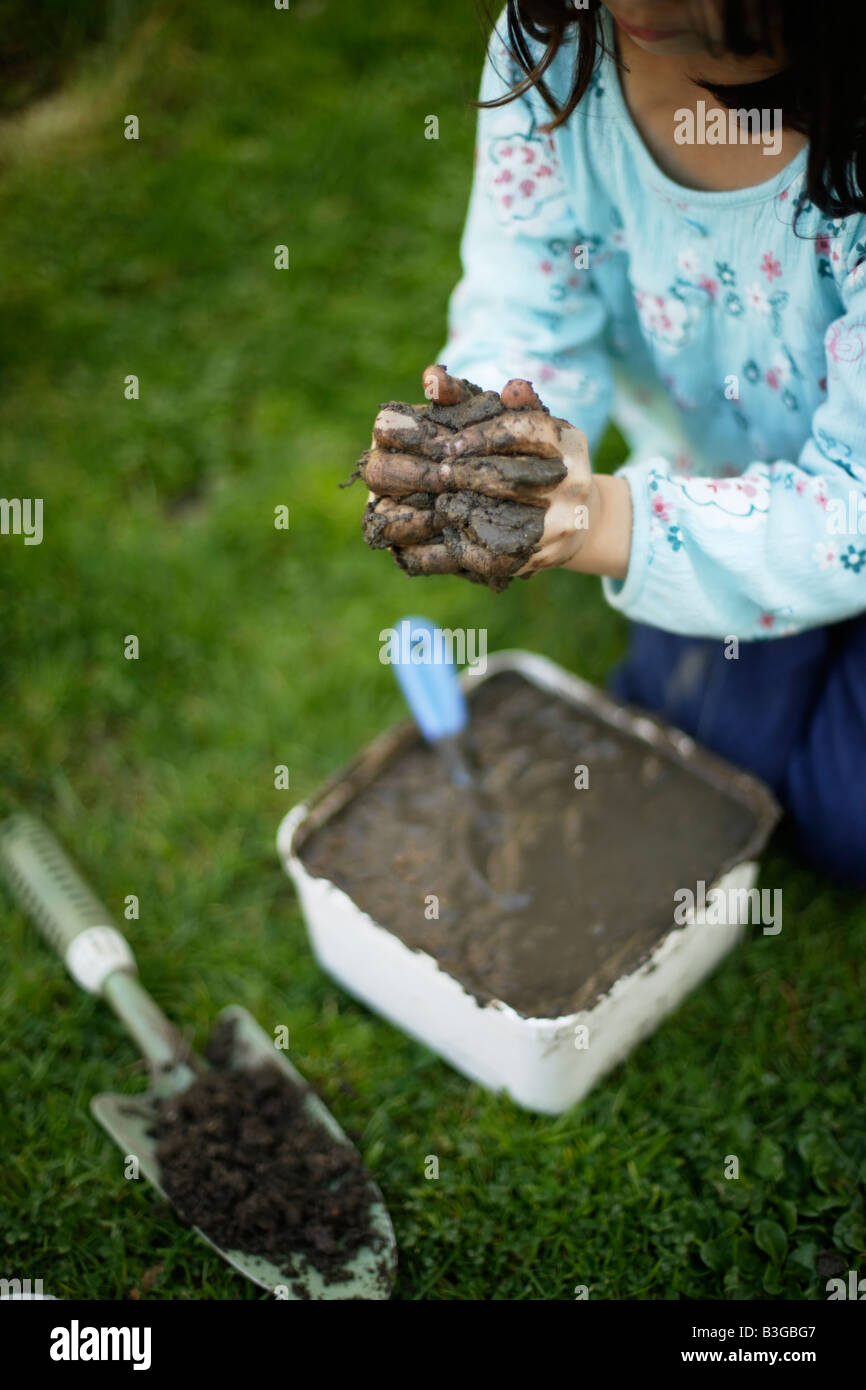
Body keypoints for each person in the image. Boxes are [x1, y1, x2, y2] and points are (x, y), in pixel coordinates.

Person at [363, 2, 866, 884]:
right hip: (716, 494)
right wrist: (503, 439)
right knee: (704, 753)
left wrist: (604, 522)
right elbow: (530, 312)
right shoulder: (558, 55)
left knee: (844, 822)